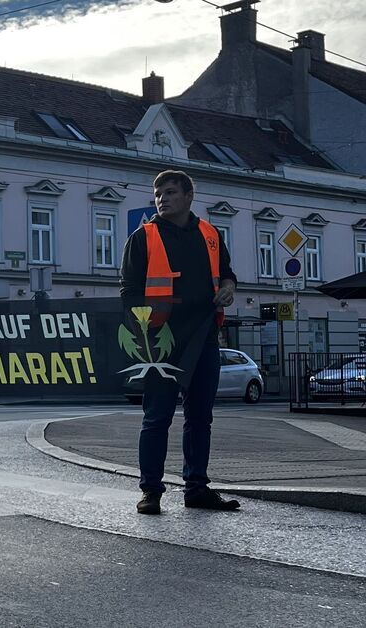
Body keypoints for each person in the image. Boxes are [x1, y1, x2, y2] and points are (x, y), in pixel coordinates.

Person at [120, 170, 240, 515]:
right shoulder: (143, 237)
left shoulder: (211, 235)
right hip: (162, 341)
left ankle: (197, 488)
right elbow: (128, 292)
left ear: (189, 196)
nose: (162, 199)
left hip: (203, 337)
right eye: (158, 194)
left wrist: (229, 289)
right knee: (157, 418)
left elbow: (227, 274)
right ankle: (151, 491)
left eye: (170, 192)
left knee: (200, 417)